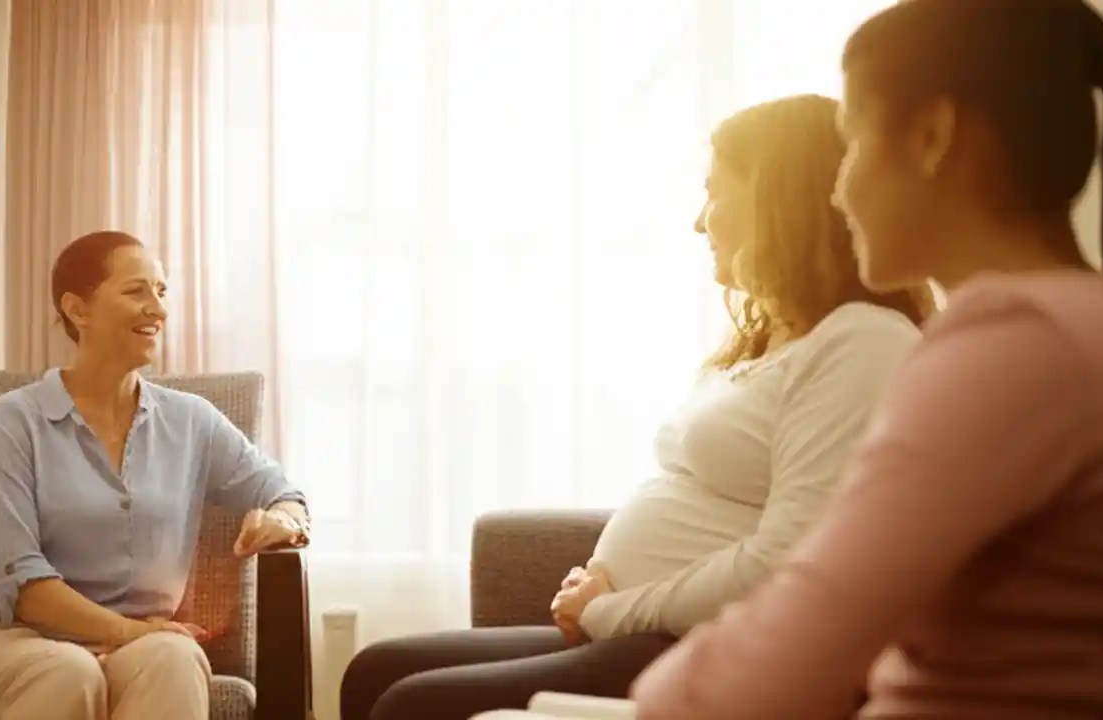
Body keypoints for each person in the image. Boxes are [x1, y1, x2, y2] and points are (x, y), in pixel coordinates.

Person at [339, 94, 934, 720]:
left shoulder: (862, 341)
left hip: (704, 647)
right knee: (375, 669)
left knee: (413, 706)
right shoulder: (768, 339)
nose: (700, 223)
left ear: (774, 200)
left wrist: (606, 607)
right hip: (641, 630)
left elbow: (783, 563)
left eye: (715, 192)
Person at [631, 1, 1103, 717]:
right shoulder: (1099, 323)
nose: (839, 192)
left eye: (853, 144)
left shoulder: (1014, 349)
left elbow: (794, 649)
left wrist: (650, 693)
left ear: (933, 136)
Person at [0, 231, 311, 720]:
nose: (156, 307)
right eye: (136, 291)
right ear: (77, 309)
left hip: (142, 644)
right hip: (13, 641)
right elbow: (23, 586)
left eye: (161, 291)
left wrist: (284, 519)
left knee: (175, 659)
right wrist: (132, 632)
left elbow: (282, 492)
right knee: (71, 674)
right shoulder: (13, 420)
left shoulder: (191, 421)